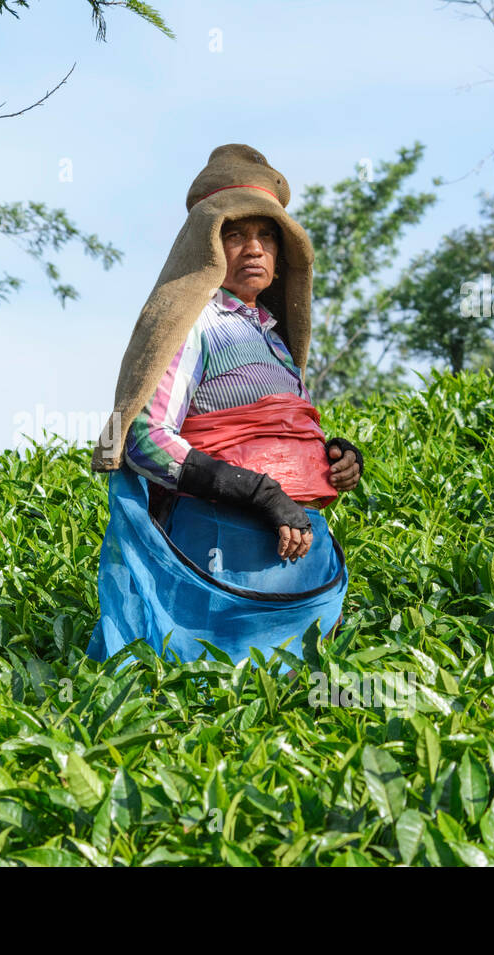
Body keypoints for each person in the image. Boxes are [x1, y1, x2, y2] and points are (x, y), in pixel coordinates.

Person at [88, 144, 365, 668]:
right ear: (208, 248)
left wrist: (334, 457)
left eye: (266, 236)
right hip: (218, 567)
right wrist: (262, 495)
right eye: (235, 235)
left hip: (296, 576)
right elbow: (146, 440)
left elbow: (275, 435)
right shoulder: (193, 323)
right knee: (211, 705)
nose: (254, 249)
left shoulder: (274, 340)